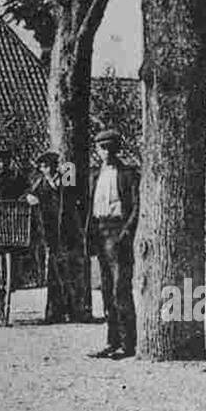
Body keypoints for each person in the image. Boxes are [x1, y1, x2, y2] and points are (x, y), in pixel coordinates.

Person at [84, 130, 139, 360]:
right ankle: (111, 341)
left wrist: (126, 233)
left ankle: (128, 344)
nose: (105, 152)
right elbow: (88, 206)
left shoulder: (128, 174)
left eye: (109, 147)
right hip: (100, 230)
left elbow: (136, 207)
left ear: (116, 149)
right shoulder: (94, 175)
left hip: (118, 232)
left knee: (120, 289)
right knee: (106, 290)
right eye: (101, 148)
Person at [30, 151, 86, 324]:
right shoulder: (40, 184)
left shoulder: (65, 180)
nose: (45, 170)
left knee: (69, 272)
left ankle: (73, 311)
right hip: (51, 233)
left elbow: (73, 197)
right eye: (42, 167)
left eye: (48, 166)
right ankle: (54, 312)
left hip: (68, 232)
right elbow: (29, 196)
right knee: (54, 273)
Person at [0, 149, 30, 309]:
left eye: (4, 162)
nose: (1, 165)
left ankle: (11, 283)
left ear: (9, 163)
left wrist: (25, 197)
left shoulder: (17, 178)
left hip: (13, 222)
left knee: (16, 251)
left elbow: (27, 190)